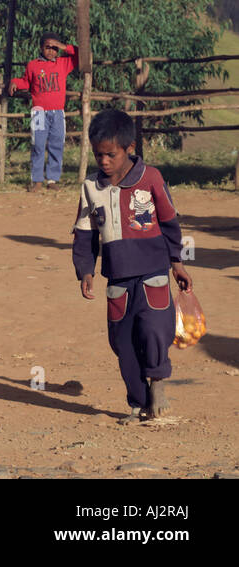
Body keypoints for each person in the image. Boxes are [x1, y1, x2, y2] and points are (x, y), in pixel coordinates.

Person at [73, 108, 192, 422]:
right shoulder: (90, 188)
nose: (105, 161)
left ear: (129, 149)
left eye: (111, 154)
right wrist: (85, 270)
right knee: (122, 342)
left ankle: (158, 384)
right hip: (117, 277)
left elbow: (168, 222)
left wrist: (176, 262)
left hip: (153, 270)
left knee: (154, 330)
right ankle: (138, 403)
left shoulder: (151, 178)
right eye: (99, 155)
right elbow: (85, 235)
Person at [12, 32, 78, 192]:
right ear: (41, 47)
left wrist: (63, 46)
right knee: (38, 145)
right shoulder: (33, 65)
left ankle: (52, 179)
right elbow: (26, 82)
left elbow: (79, 54)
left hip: (57, 113)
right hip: (39, 112)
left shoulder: (63, 63)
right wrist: (14, 82)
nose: (51, 51)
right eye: (48, 47)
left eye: (55, 48)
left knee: (56, 145)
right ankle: (37, 180)